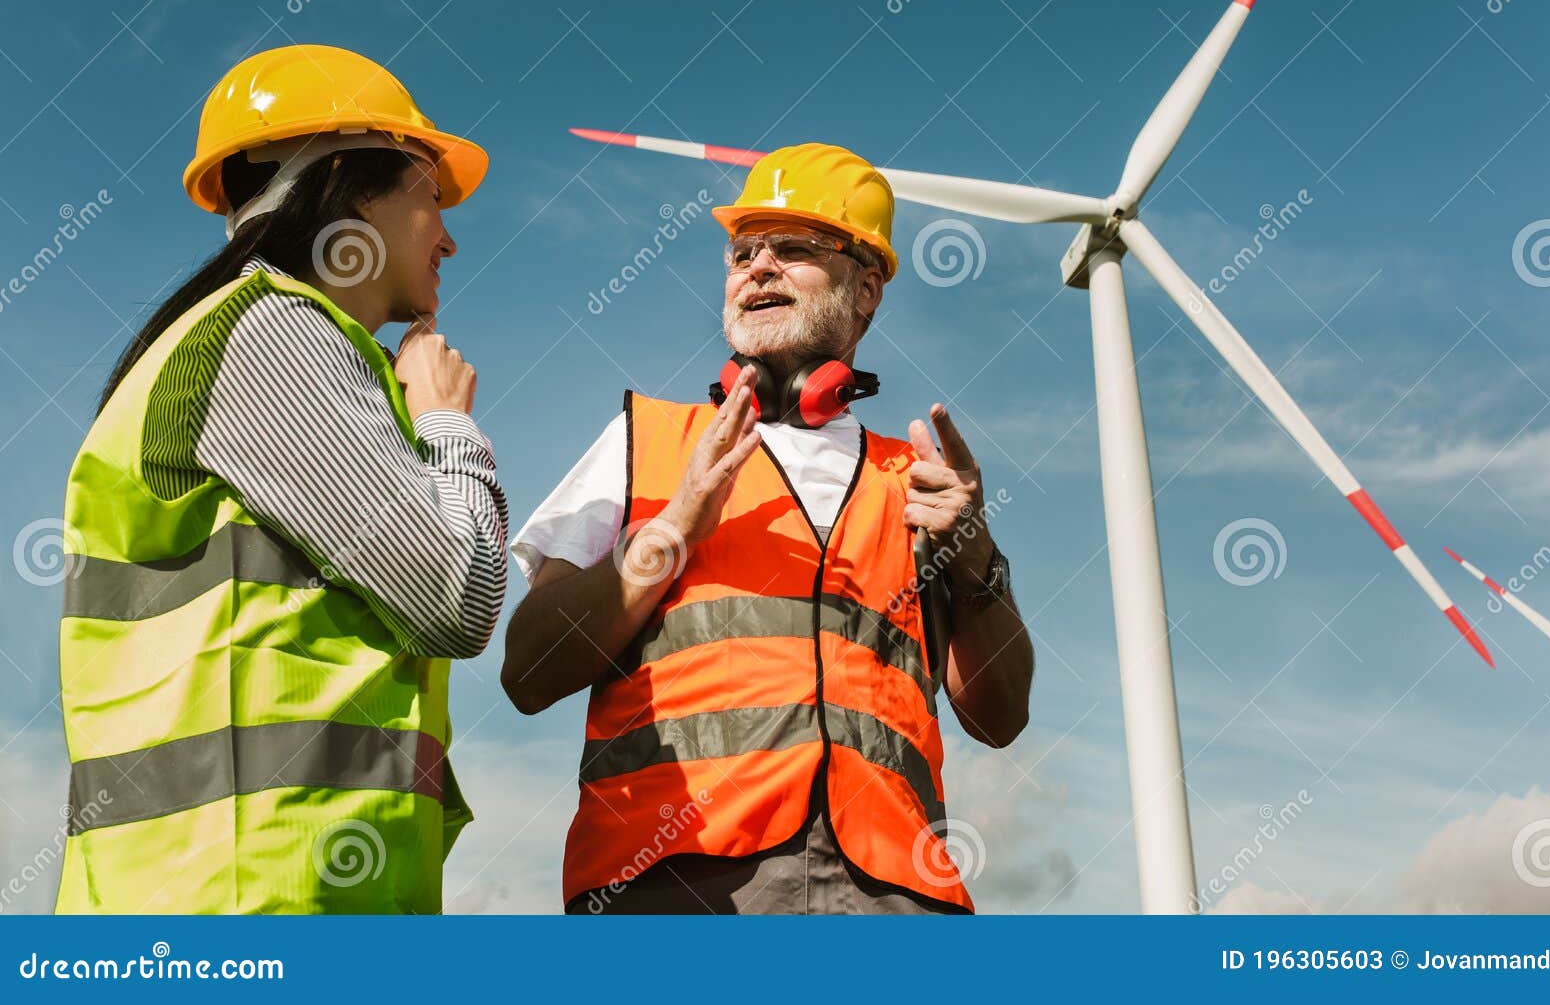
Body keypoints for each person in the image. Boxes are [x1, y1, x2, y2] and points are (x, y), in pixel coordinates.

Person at [502, 143, 1033, 914]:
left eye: (793, 248)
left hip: (895, 900)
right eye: (742, 251)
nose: (758, 267)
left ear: (867, 289)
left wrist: (975, 553)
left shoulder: (915, 481)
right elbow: (528, 669)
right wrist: (674, 525)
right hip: (676, 890)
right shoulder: (643, 440)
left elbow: (1001, 716)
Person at [55, 44, 507, 913]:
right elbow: (459, 591)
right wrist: (450, 423)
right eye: (429, 195)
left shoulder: (250, 344)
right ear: (346, 183)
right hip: (258, 902)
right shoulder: (274, 339)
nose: (448, 235)